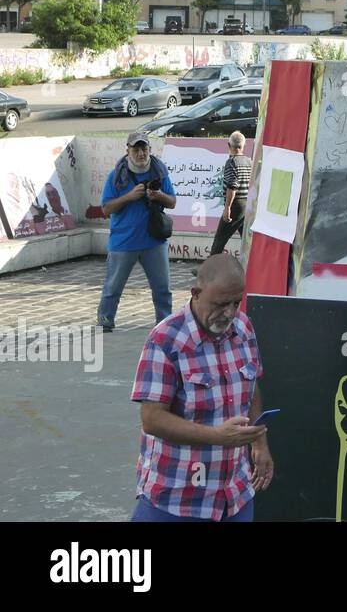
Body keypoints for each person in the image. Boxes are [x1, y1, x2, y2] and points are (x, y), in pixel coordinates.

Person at [130, 254, 272, 521]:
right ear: (196, 293)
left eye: (235, 302)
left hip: (235, 496)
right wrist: (217, 436)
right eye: (220, 304)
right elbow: (152, 419)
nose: (229, 312)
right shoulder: (165, 340)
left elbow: (251, 387)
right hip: (175, 499)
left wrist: (260, 444)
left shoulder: (244, 328)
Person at [97, 133, 178, 332]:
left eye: (144, 149)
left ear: (150, 150)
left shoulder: (159, 172)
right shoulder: (116, 176)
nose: (141, 153)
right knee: (112, 288)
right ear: (128, 151)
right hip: (123, 242)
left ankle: (164, 326)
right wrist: (129, 197)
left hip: (154, 242)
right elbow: (106, 209)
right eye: (136, 149)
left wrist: (158, 195)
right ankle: (105, 324)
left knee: (162, 290)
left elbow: (173, 202)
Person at [210, 132, 252, 257]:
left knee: (219, 240)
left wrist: (227, 208)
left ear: (229, 145)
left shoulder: (232, 162)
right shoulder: (249, 161)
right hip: (247, 204)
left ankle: (208, 271)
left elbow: (232, 186)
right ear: (243, 145)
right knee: (247, 241)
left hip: (236, 204)